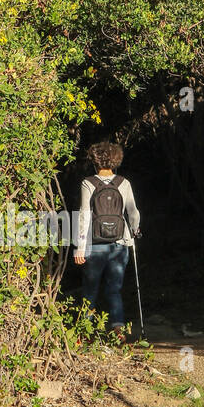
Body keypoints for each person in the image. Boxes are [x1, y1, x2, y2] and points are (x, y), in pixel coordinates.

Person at [74, 141, 140, 339]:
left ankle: (84, 334)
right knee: (114, 289)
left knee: (90, 290)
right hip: (120, 245)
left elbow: (84, 215)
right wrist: (135, 233)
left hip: (94, 246)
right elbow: (133, 212)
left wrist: (79, 247)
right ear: (115, 160)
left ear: (94, 160)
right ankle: (118, 331)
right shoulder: (123, 183)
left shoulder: (88, 183)